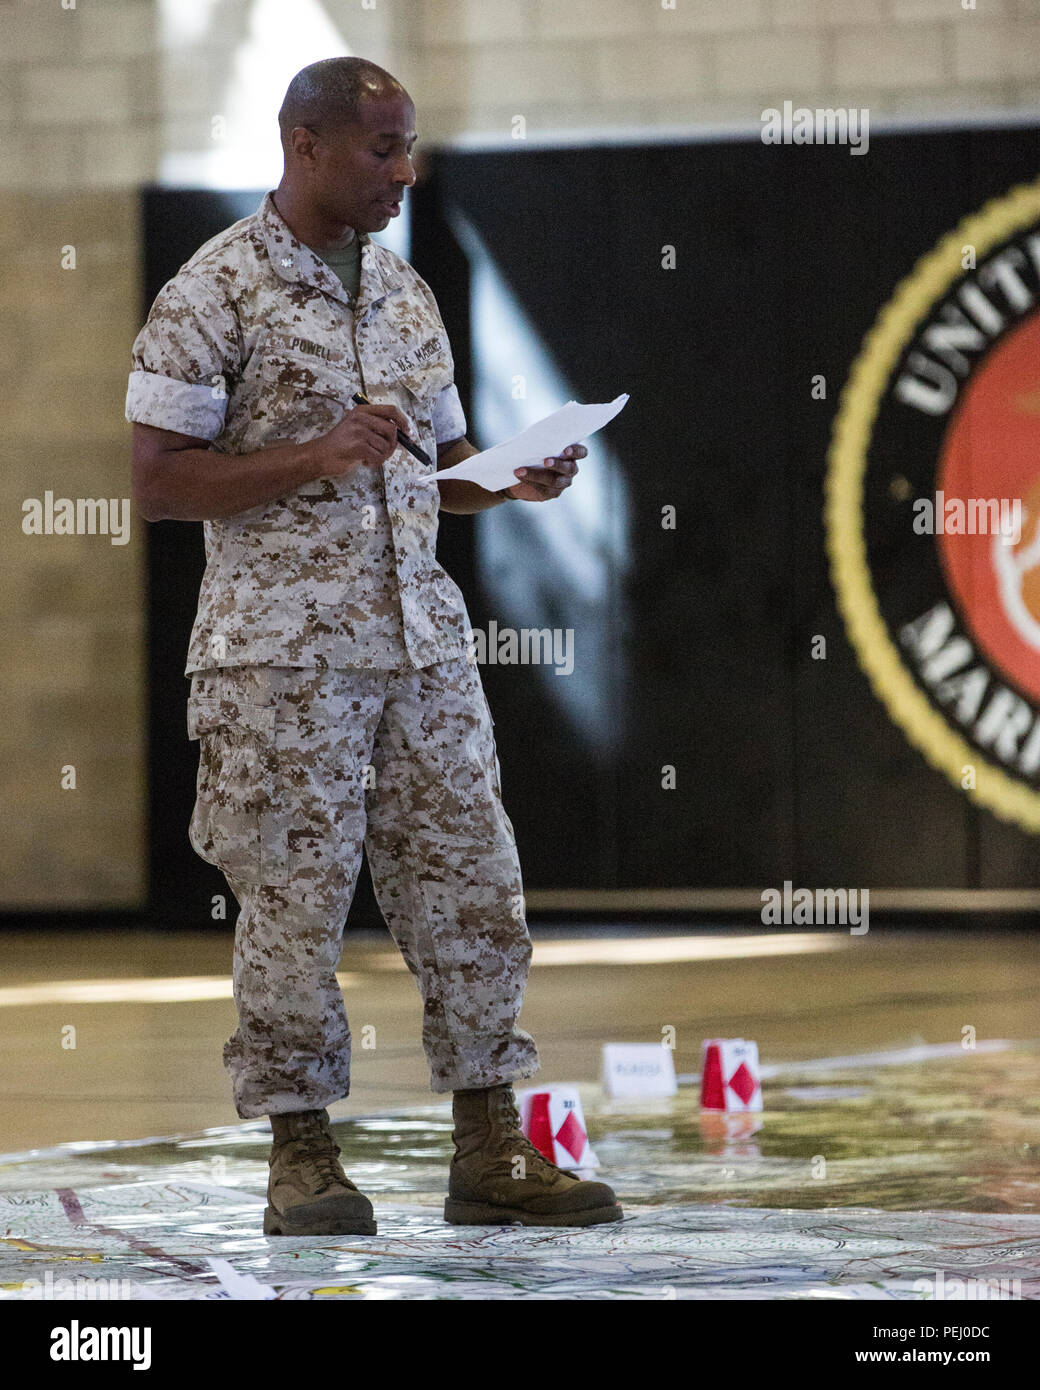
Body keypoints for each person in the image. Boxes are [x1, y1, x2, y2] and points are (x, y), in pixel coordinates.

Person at [126, 56, 622, 1236]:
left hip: (423, 654)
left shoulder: (406, 292)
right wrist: (312, 454)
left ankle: (490, 1150)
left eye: (409, 148)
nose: (404, 171)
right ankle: (302, 1157)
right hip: (280, 662)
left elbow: (433, 474)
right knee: (293, 906)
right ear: (304, 145)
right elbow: (153, 484)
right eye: (381, 150)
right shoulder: (213, 293)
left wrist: (506, 480)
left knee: (474, 888)